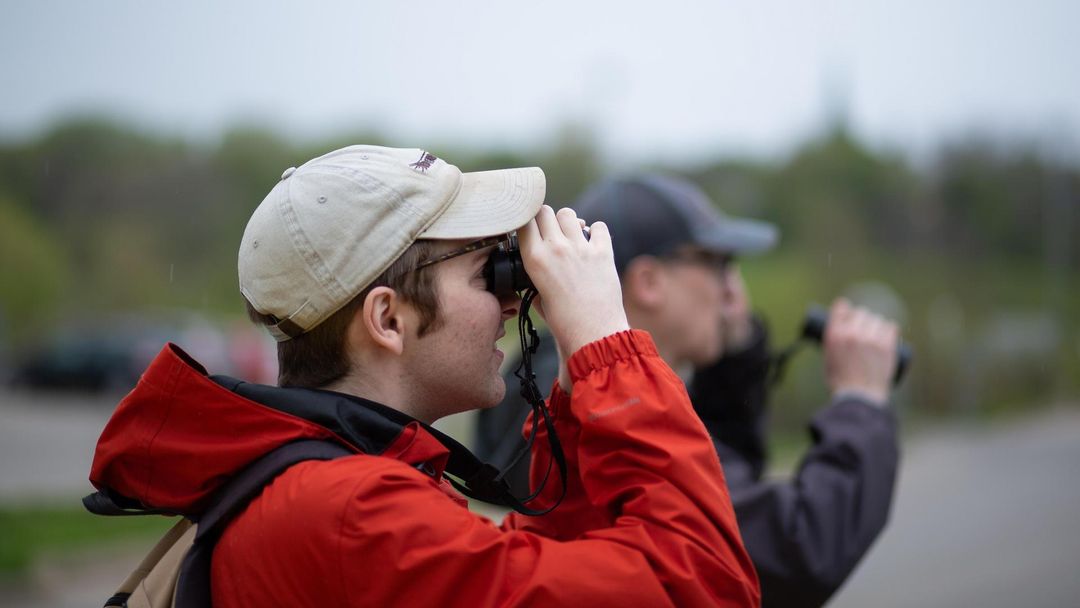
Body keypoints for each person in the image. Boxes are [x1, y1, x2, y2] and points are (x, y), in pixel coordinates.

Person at [87, 147, 760, 606]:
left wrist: (580, 396)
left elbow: (570, 570)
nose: (511, 300)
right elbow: (704, 586)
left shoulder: (344, 488)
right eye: (484, 271)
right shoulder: (351, 515)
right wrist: (610, 350)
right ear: (388, 318)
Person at [476, 174, 901, 608]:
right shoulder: (588, 399)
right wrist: (860, 401)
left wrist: (735, 363)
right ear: (649, 282)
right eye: (719, 264)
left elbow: (720, 470)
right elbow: (785, 548)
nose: (733, 291)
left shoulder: (612, 385)